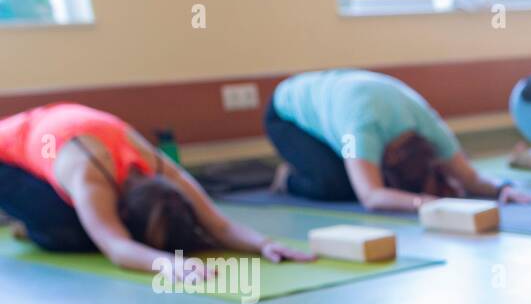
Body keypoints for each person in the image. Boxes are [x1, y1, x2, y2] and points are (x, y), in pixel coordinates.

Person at [0, 102, 311, 275]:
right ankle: (28, 226)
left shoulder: (164, 171)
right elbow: (115, 247)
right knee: (72, 232)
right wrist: (170, 264)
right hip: (8, 157)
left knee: (88, 222)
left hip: (53, 138)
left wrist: (264, 244)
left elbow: (219, 226)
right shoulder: (91, 177)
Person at [266, 69, 531, 212]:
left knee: (356, 177)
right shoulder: (363, 130)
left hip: (340, 103)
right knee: (338, 186)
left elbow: (470, 178)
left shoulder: (429, 128)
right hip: (287, 113)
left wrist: (502, 188)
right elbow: (371, 196)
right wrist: (425, 203)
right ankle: (285, 177)